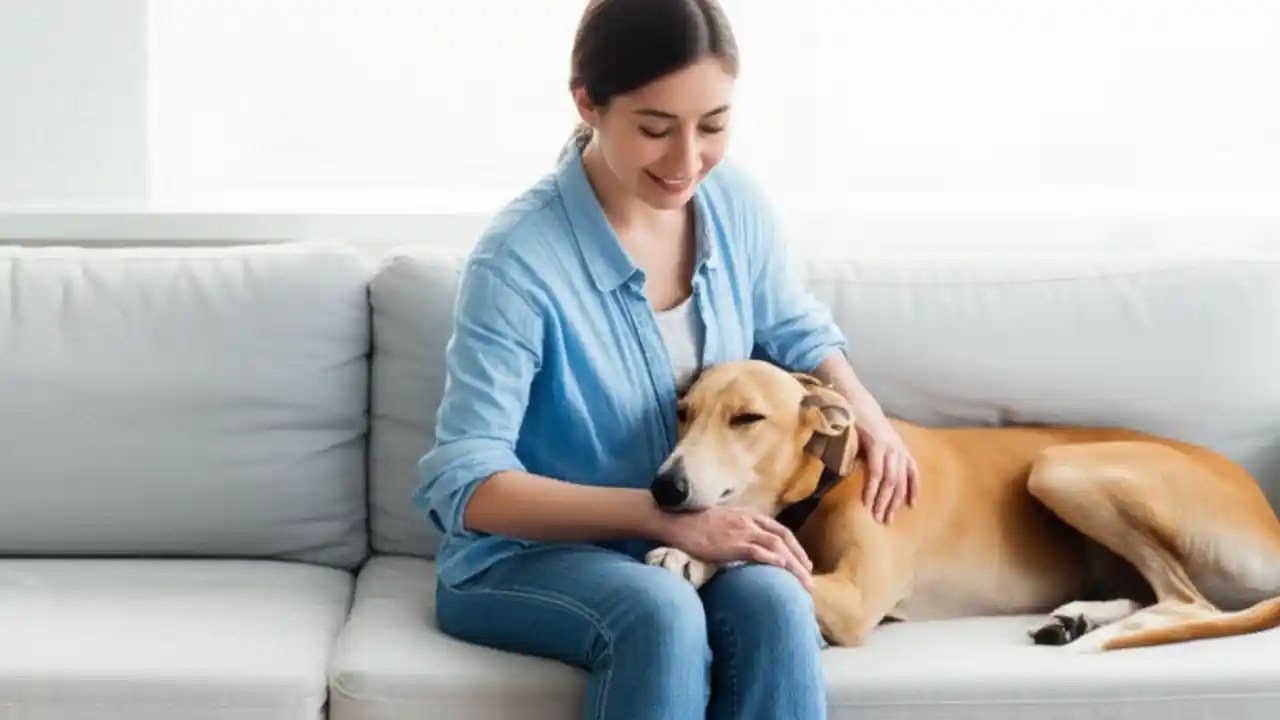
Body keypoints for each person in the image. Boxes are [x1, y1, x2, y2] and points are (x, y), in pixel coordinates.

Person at [413, 0, 920, 717]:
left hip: (693, 542)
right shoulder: (518, 261)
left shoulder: (732, 200)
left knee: (779, 596)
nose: (688, 163)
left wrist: (866, 413)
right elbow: (468, 484)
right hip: (521, 558)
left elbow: (793, 325)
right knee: (659, 609)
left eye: (713, 126)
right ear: (588, 103)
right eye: (655, 129)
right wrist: (662, 521)